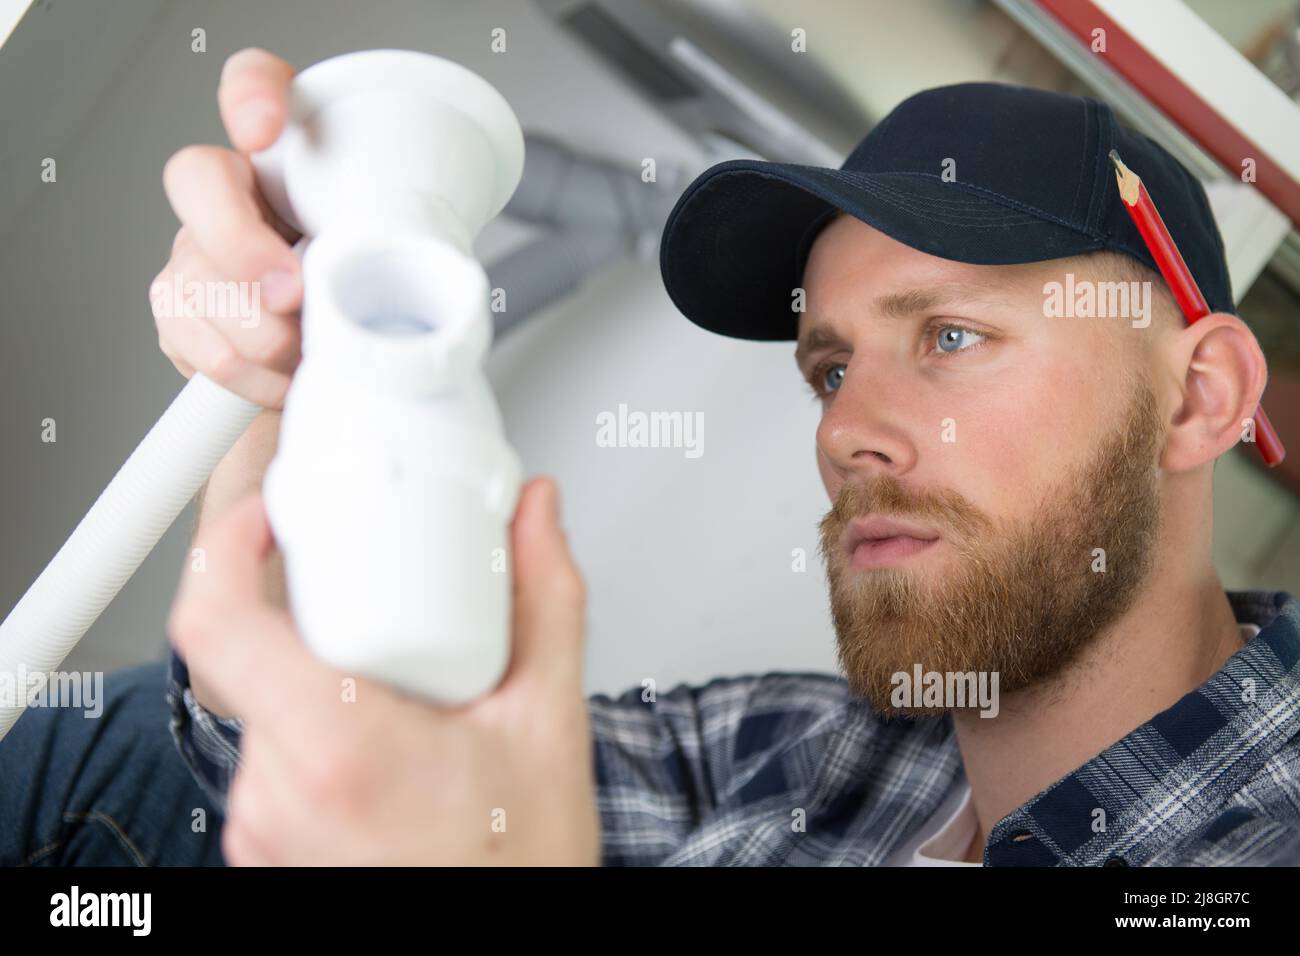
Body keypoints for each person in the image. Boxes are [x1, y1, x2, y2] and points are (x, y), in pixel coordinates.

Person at [1, 49, 1295, 867]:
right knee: (125, 746)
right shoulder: (807, 756)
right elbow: (321, 737)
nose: (844, 431)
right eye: (830, 367)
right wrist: (305, 329)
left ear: (1201, 399)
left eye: (950, 335)